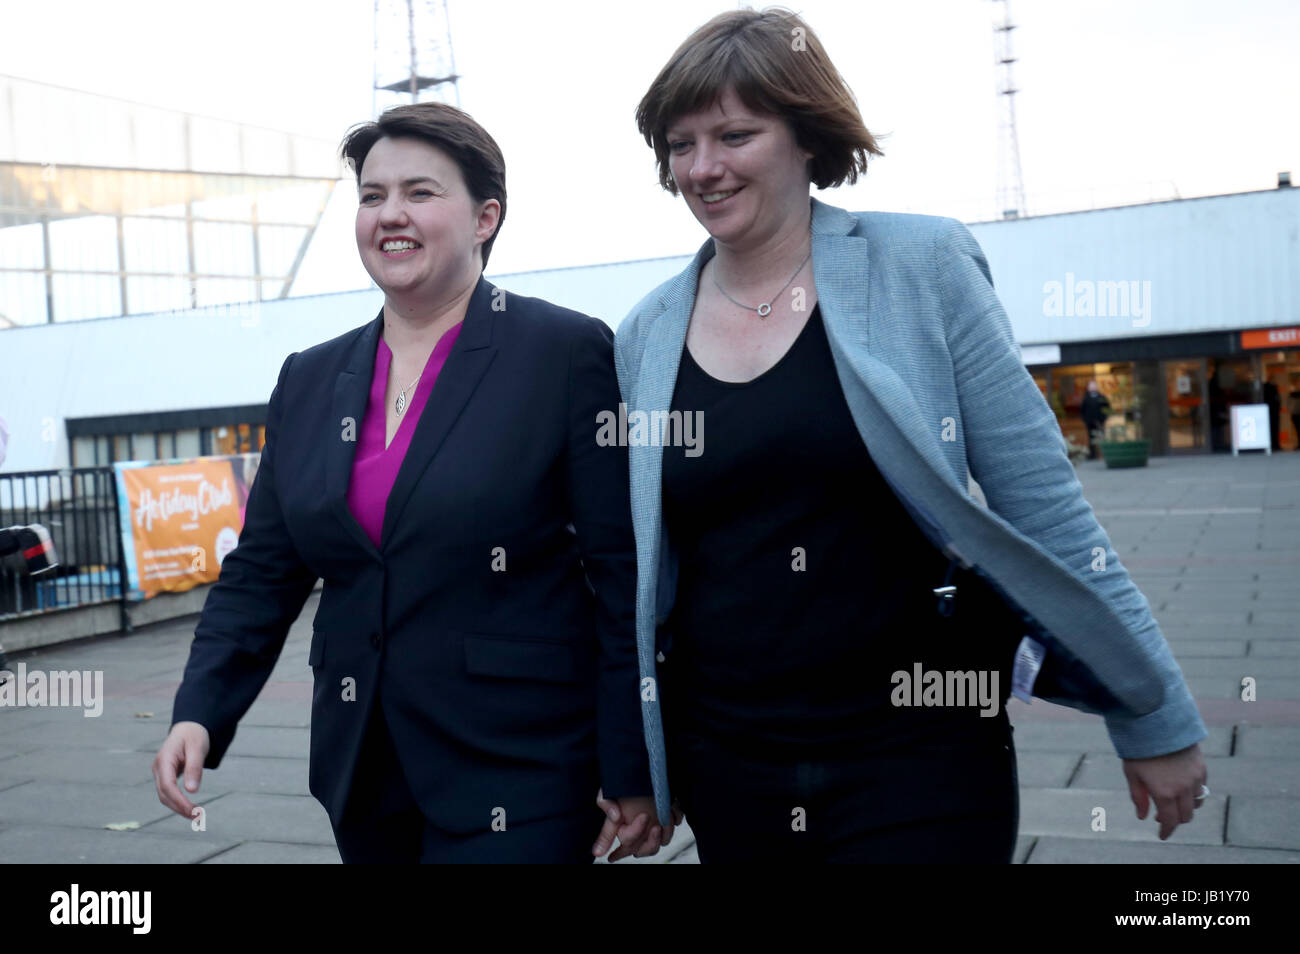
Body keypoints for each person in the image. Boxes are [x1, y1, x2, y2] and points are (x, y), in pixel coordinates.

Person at [616, 7, 1208, 862]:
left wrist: (1152, 711)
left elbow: (1045, 504)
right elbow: (644, 569)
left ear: (808, 138)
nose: (702, 168)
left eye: (734, 135)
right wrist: (640, 759)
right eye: (680, 145)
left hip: (921, 747)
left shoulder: (922, 268)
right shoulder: (646, 333)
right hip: (732, 760)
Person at [153, 103, 660, 863]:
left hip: (520, 769)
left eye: (420, 193)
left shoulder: (561, 353)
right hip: (366, 768)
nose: (391, 214)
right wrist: (200, 711)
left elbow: (622, 573)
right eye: (372, 195)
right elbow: (264, 568)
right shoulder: (310, 378)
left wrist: (634, 761)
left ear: (486, 217)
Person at [1080, 380, 1112, 459]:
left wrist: (1104, 418)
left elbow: (1107, 408)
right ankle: (1092, 454)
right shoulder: (1086, 398)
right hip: (1089, 422)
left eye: (1094, 386)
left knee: (1101, 437)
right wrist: (1085, 419)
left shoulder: (1102, 397)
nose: (1093, 388)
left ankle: (1104, 453)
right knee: (1091, 438)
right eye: (1091, 386)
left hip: (1100, 421)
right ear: (1088, 388)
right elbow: (1082, 410)